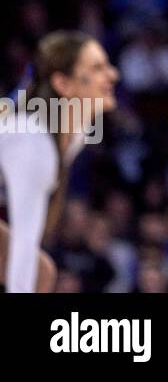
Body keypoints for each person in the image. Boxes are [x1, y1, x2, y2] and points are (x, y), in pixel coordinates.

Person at [0, 31, 119, 292]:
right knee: (32, 270)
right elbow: (24, 240)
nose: (113, 75)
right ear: (64, 84)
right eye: (97, 68)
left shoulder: (76, 133)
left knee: (42, 273)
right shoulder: (32, 143)